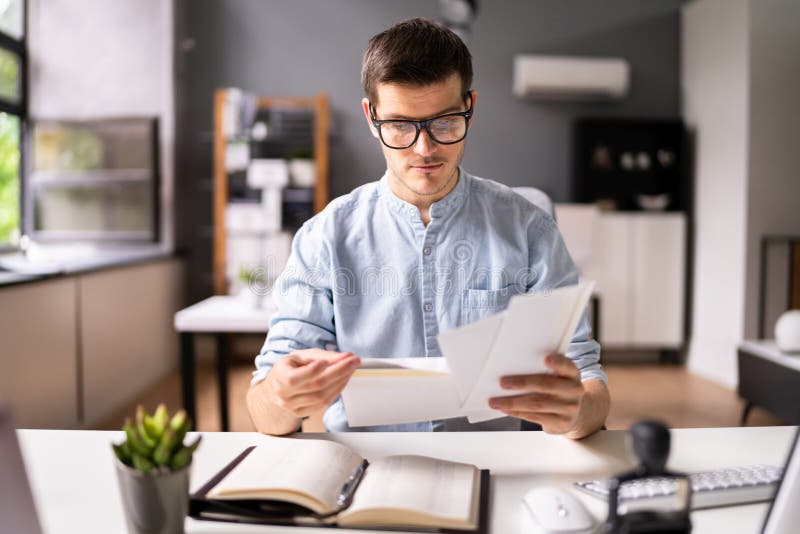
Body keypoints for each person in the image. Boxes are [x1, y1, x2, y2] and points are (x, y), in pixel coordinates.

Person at [247, 17, 609, 437]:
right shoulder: (324, 238)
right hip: (367, 468)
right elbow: (263, 408)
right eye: (400, 125)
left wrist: (578, 410)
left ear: (470, 108)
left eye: (444, 123)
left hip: (493, 464)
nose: (424, 149)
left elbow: (589, 383)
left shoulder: (530, 229)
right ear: (371, 116)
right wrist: (279, 397)